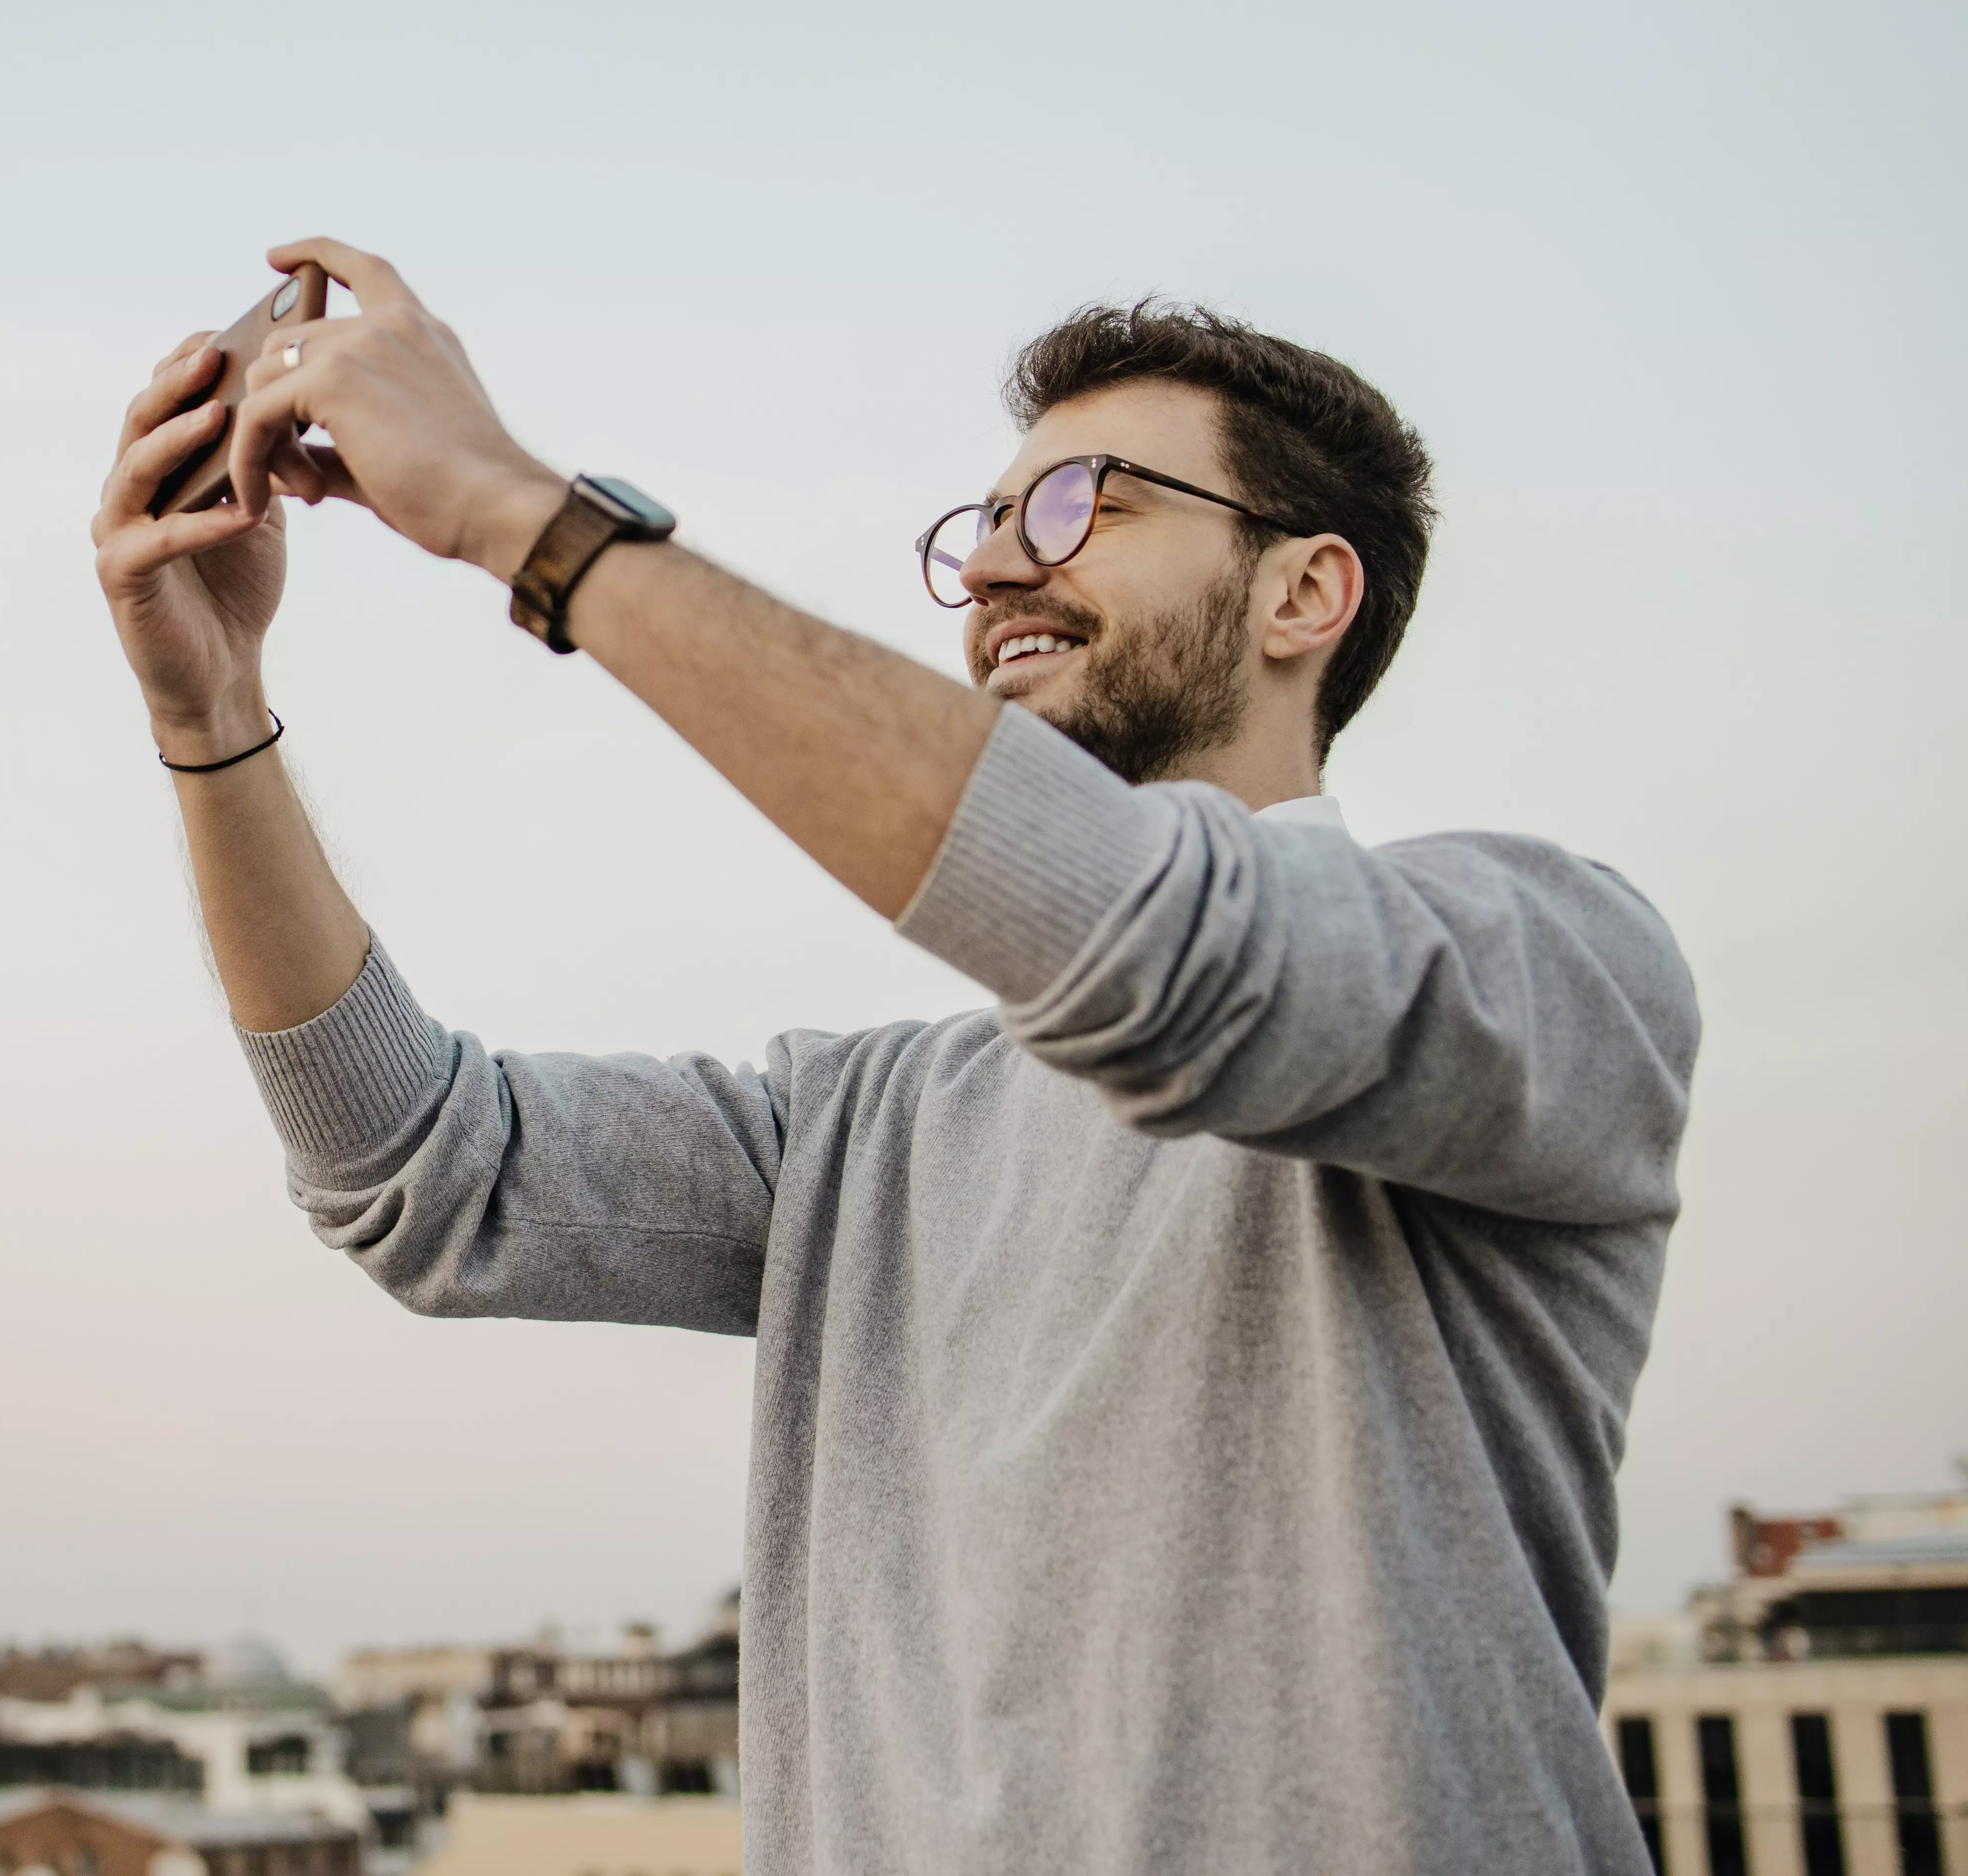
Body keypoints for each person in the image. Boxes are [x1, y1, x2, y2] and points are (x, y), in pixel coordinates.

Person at [87, 238, 1698, 1876]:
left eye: (1083, 506)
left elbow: (1156, 944)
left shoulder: (1545, 960)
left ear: (1304, 591)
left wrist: (521, 512)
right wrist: (212, 717)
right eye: (986, 528)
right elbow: (421, 1174)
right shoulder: (867, 1131)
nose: (999, 566)